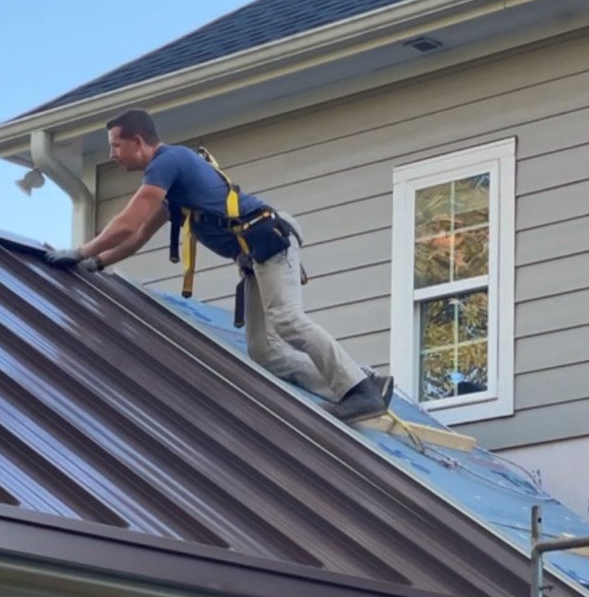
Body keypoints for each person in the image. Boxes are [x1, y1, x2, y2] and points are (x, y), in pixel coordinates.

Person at [48, 108, 393, 422]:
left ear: (137, 142)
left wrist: (78, 252)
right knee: (266, 353)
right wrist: (96, 262)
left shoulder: (167, 162)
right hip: (255, 254)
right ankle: (359, 382)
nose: (112, 155)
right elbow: (138, 236)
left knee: (287, 320)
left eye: (115, 145)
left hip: (269, 237)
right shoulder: (173, 189)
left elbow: (126, 223)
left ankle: (358, 391)